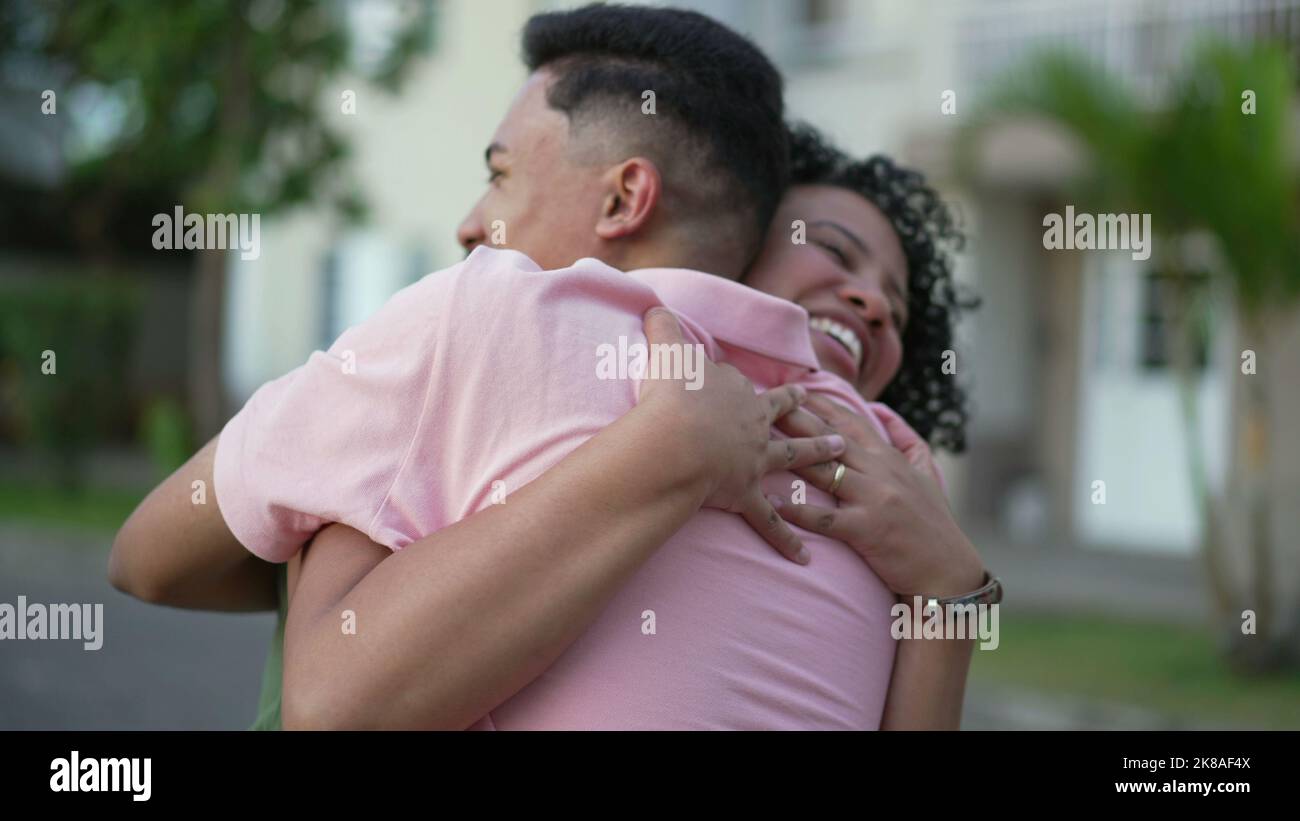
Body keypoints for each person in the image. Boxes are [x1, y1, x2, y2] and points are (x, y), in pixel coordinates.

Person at [111, 5, 986, 729]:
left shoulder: (482, 310)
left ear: (623, 197)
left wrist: (346, 514)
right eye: (828, 251)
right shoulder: (890, 456)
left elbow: (150, 560)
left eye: (498, 175)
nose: (469, 224)